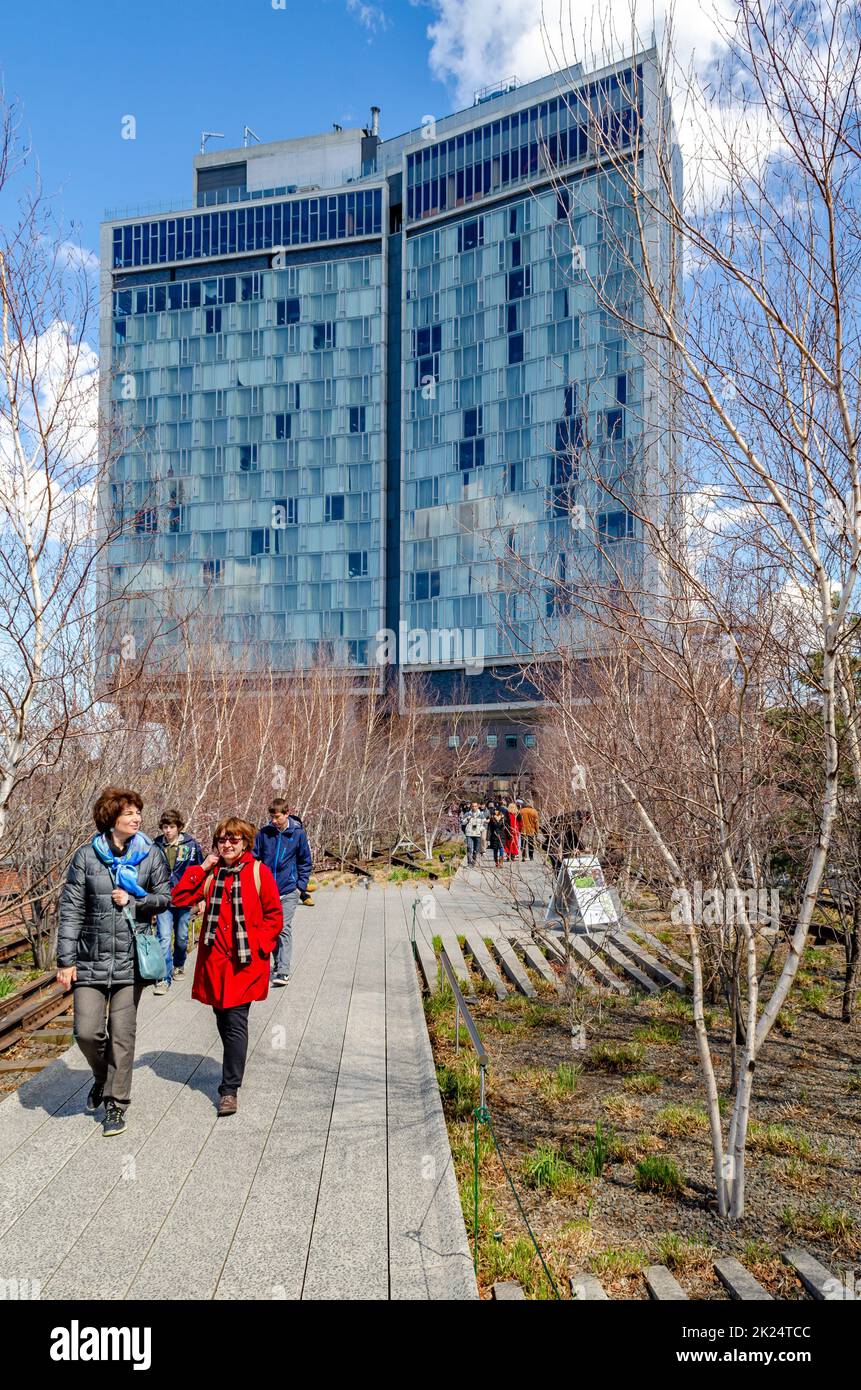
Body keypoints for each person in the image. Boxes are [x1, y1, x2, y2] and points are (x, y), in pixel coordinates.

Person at [57, 786, 171, 1138]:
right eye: (129, 813)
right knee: (87, 1031)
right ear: (111, 818)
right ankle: (102, 1076)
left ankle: (116, 1104)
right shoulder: (86, 857)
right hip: (90, 958)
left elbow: (165, 898)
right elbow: (72, 909)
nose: (137, 818)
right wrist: (65, 960)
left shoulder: (150, 854)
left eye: (138, 812)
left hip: (129, 962)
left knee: (123, 1036)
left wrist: (135, 902)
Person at [171, 817, 282, 1117]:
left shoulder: (258, 873)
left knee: (235, 1021)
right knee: (222, 1018)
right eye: (222, 839)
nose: (228, 844)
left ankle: (229, 1089)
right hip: (215, 963)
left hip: (245, 965)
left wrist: (260, 946)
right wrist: (203, 867)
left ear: (246, 842)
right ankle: (234, 1066)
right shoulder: (212, 874)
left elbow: (274, 915)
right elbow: (179, 897)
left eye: (234, 839)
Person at [253, 799, 313, 986]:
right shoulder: (264, 834)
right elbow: (255, 858)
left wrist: (299, 887)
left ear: (287, 813)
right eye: (271, 817)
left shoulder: (297, 834)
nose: (274, 821)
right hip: (266, 890)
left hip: (289, 890)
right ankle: (277, 964)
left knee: (282, 927)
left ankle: (284, 971)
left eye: (277, 817)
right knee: (271, 928)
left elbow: (305, 861)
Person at [152, 809, 204, 994]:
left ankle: (179, 964)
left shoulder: (191, 846)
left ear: (179, 827)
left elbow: (200, 872)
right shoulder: (155, 846)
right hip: (163, 899)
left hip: (184, 899)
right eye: (165, 827)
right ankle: (163, 978)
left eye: (171, 827)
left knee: (181, 937)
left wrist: (200, 899)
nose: (168, 831)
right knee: (164, 938)